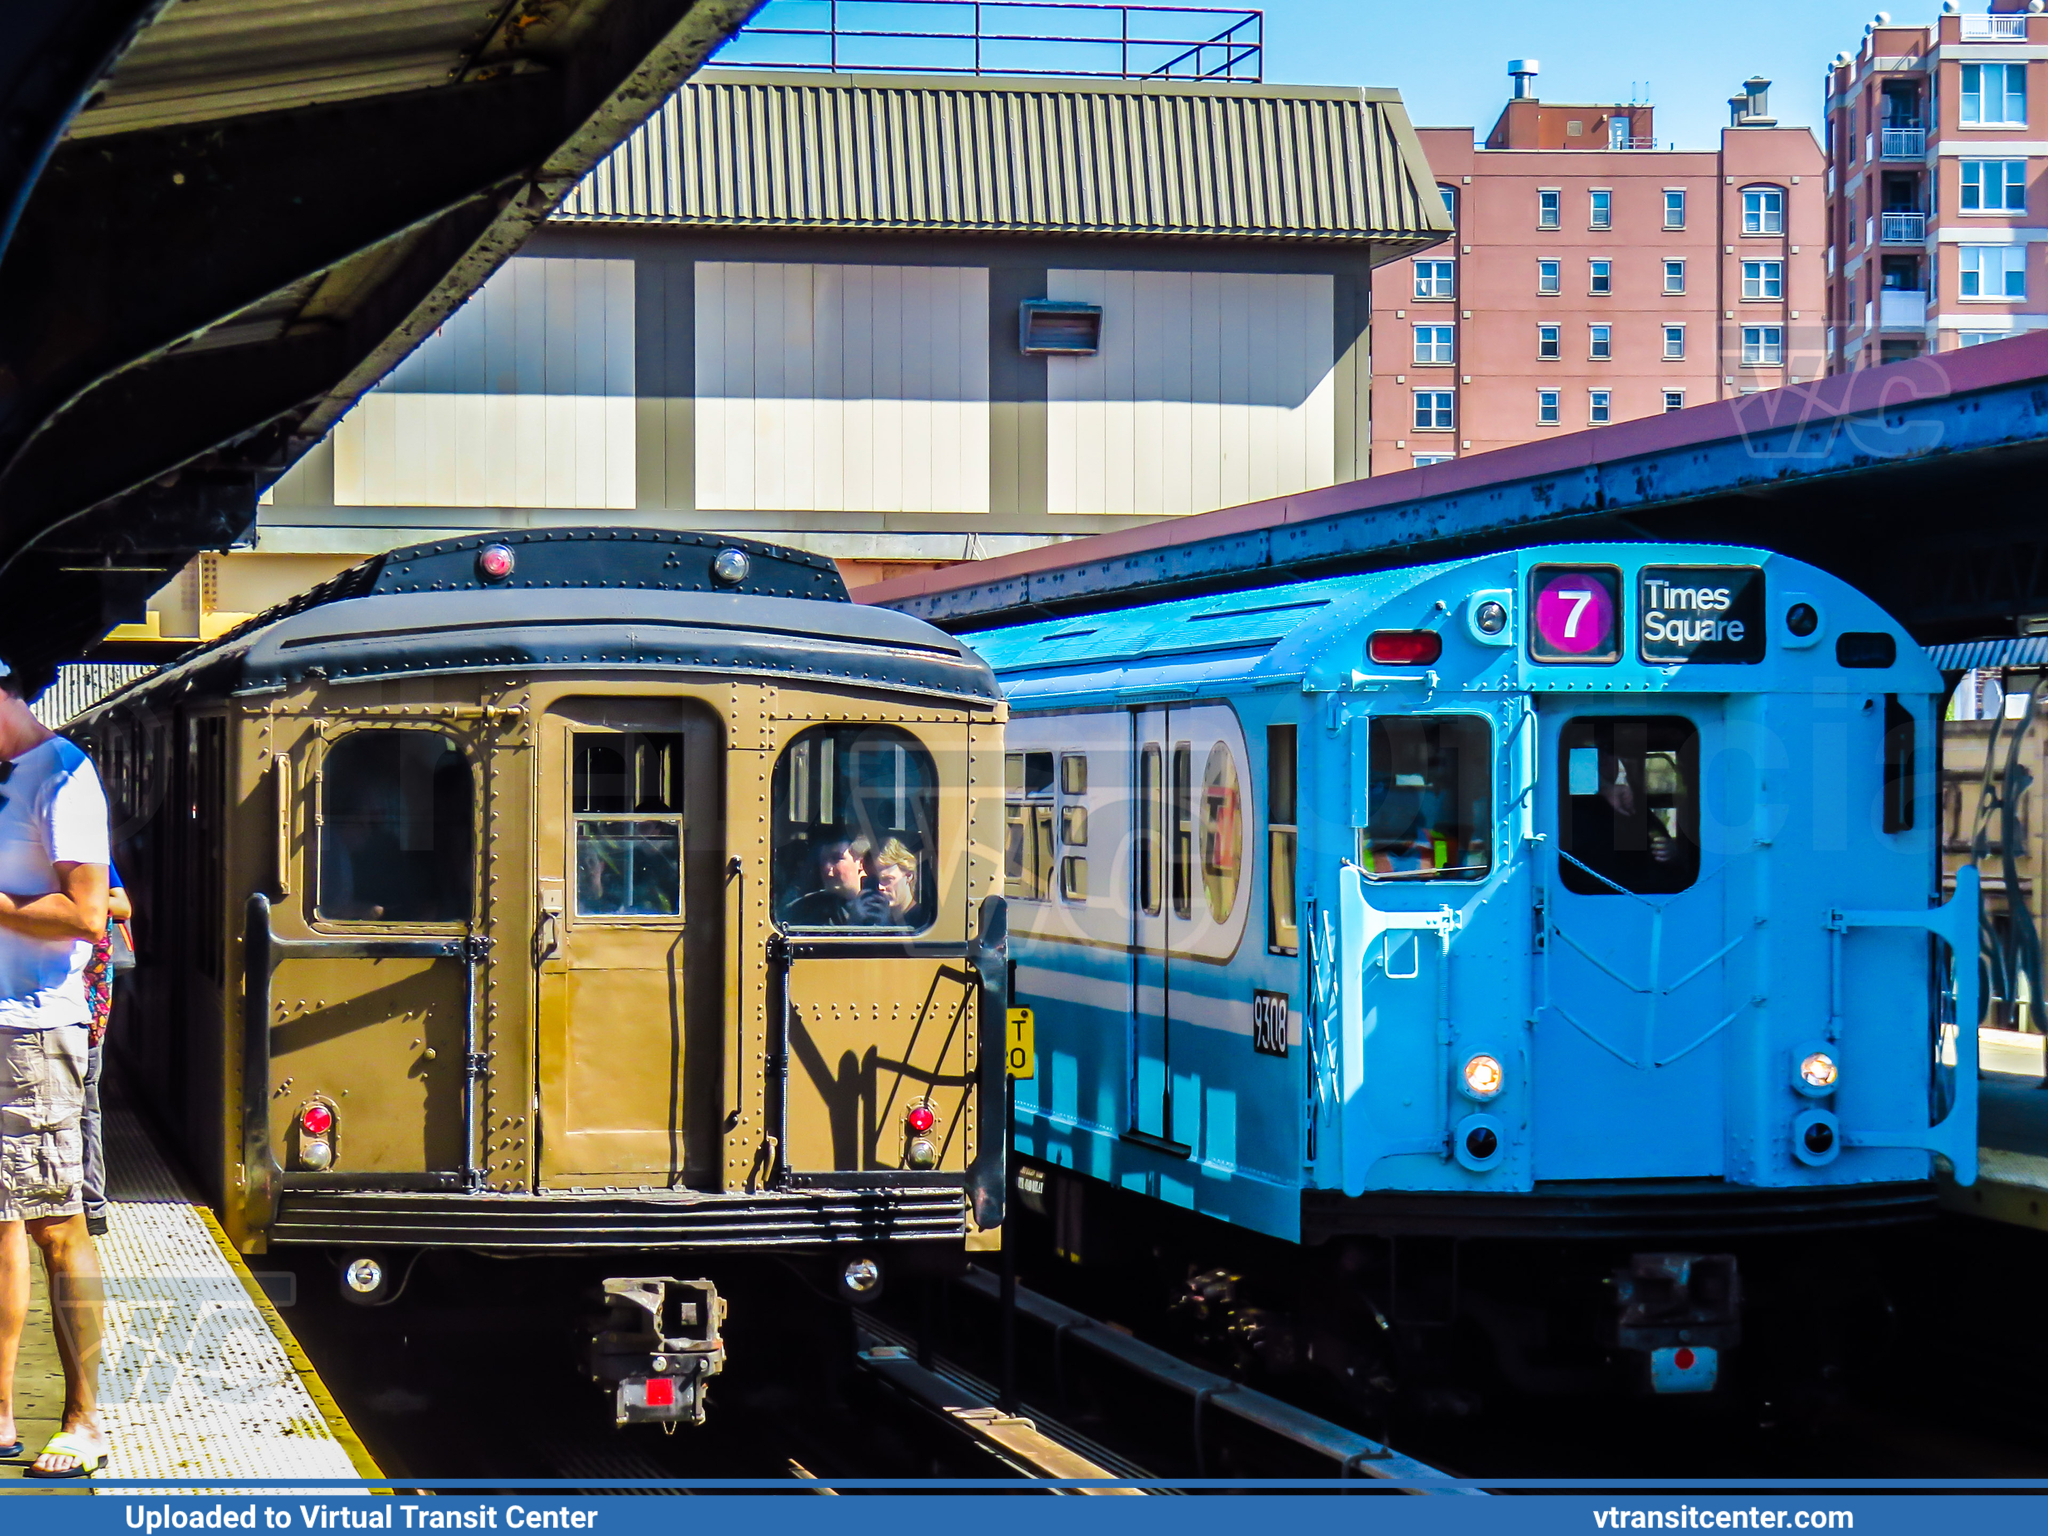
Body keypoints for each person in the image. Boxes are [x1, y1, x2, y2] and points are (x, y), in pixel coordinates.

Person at [0, 661, 111, 1479]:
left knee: (53, 1224)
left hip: (33, 1034)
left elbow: (85, 913)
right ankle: (0, 1412)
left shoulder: (65, 776)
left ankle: (83, 1420)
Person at [79, 869, 131, 1239]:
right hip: (87, 998)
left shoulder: (92, 850)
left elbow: (122, 905)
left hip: (84, 1003)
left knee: (85, 1101)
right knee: (86, 1105)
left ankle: (91, 1203)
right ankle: (90, 1204)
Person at [780, 834, 888, 927]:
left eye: (836, 859)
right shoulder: (804, 909)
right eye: (823, 860)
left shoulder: (887, 905)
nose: (826, 867)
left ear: (861, 863)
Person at [867, 838, 920, 926]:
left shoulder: (924, 922)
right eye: (876, 880)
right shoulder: (875, 920)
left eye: (887, 879)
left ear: (908, 876)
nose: (880, 887)